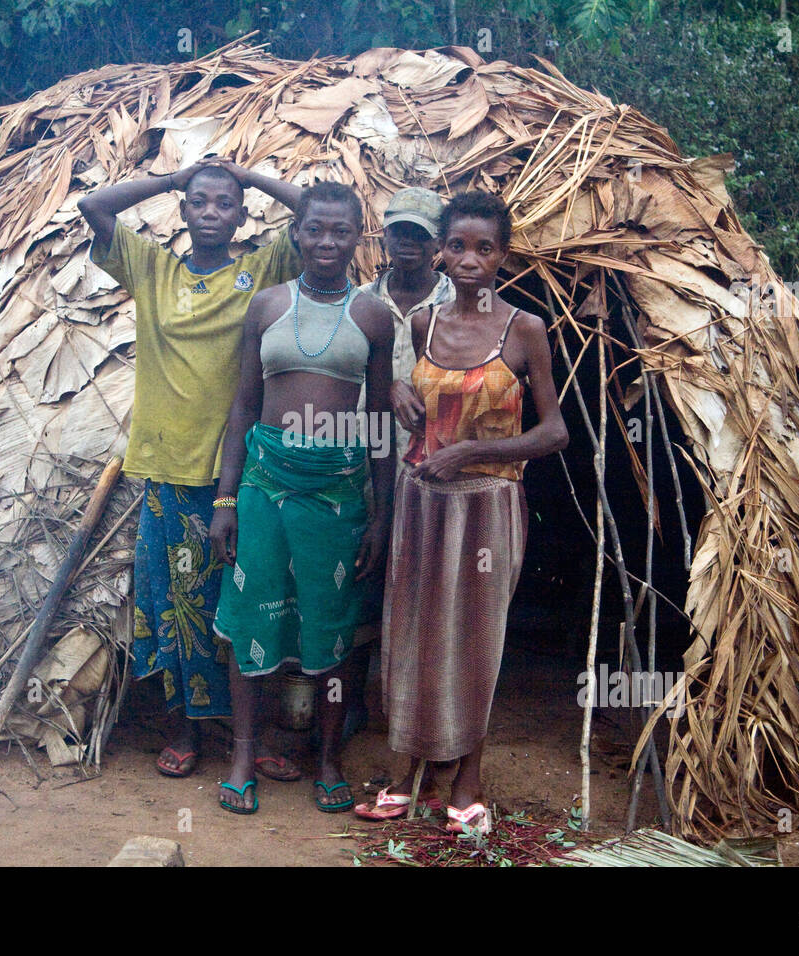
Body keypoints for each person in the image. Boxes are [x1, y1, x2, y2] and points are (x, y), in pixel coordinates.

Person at [79, 158, 306, 782]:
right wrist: (172, 178)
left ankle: (248, 736)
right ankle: (182, 729)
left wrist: (251, 176)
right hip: (171, 470)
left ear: (241, 215)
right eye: (199, 202)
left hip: (244, 471)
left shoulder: (260, 272)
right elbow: (93, 207)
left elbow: (317, 213)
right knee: (180, 607)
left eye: (224, 204)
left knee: (250, 604)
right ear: (183, 210)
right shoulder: (152, 269)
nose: (211, 213)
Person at [358, 191, 569, 834]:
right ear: (441, 253)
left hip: (487, 507)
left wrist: (474, 451)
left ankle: (467, 780)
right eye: (457, 246)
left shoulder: (524, 330)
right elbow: (390, 389)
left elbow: (554, 433)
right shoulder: (421, 327)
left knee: (476, 641)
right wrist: (394, 390)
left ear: (503, 254)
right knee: (412, 635)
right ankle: (407, 773)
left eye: (484, 247)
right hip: (422, 503)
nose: (469, 258)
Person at [209, 181, 396, 814]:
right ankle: (243, 755)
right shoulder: (265, 306)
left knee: (332, 631)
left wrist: (381, 515)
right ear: (296, 233)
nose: (325, 242)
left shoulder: (373, 316)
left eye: (340, 231)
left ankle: (328, 759)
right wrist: (226, 500)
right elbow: (242, 406)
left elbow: (378, 426)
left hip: (338, 498)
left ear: (356, 238)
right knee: (250, 620)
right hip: (264, 486)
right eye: (314, 228)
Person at [340, 187, 456, 741]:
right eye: (399, 232)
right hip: (362, 453)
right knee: (362, 569)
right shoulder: (360, 300)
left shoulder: (463, 300)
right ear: (383, 236)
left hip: (432, 458)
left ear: (436, 243)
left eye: (420, 234)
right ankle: (353, 696)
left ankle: (414, 704)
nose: (407, 243)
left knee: (421, 578)